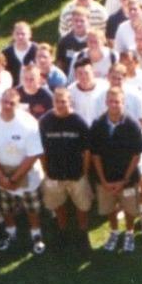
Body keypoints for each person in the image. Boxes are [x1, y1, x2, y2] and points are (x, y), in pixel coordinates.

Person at [0, 87, 47, 254]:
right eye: (5, 102)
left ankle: (36, 235)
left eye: (12, 103)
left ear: (18, 104)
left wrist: (14, 179)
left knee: (32, 209)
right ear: (0, 102)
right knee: (6, 208)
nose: (7, 106)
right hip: (0, 172)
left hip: (26, 172)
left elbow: (33, 155)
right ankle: (10, 233)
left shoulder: (29, 123)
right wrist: (1, 178)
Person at [90, 86, 142, 253]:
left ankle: (128, 232)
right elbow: (95, 155)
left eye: (118, 102)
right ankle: (114, 232)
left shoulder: (132, 125)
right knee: (110, 208)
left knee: (130, 209)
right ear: (106, 102)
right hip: (105, 179)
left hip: (127, 180)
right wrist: (104, 181)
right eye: (111, 102)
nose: (114, 105)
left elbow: (136, 156)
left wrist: (124, 180)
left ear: (123, 103)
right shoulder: (98, 125)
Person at [38, 87, 94, 249]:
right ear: (53, 102)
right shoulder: (45, 121)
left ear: (70, 102)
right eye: (57, 101)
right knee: (58, 205)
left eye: (64, 102)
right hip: (54, 174)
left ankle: (82, 233)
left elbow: (87, 151)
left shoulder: (78, 121)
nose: (60, 105)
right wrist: (46, 170)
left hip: (76, 174)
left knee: (82, 206)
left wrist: (84, 172)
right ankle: (62, 231)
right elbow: (41, 150)